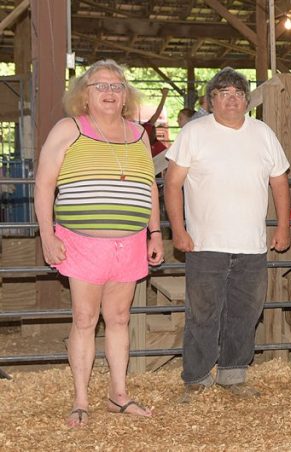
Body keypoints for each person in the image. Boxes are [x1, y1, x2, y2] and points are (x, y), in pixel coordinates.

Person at [34, 59, 162, 427]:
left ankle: (118, 395)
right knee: (85, 318)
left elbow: (149, 186)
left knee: (120, 318)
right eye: (100, 86)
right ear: (84, 96)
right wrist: (47, 233)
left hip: (130, 243)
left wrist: (154, 232)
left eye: (116, 86)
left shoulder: (138, 135)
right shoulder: (69, 128)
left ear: (125, 97)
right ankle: (81, 399)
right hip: (82, 243)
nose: (109, 92)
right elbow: (44, 184)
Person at [165, 67, 291, 403]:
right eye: (223, 93)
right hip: (205, 242)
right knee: (202, 313)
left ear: (247, 100)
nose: (232, 99)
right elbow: (173, 183)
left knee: (246, 312)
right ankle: (196, 377)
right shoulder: (194, 133)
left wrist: (282, 226)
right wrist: (178, 230)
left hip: (252, 243)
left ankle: (233, 374)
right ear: (211, 101)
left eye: (238, 93)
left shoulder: (262, 133)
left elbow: (279, 181)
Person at [140, 87, 169, 158]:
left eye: (154, 130)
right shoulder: (143, 131)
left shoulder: (159, 146)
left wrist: (164, 96)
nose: (154, 132)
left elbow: (158, 112)